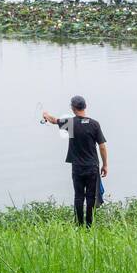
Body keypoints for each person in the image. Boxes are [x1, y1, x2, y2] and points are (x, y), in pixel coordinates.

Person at [42, 96, 108, 227]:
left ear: (72, 108)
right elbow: (102, 146)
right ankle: (89, 226)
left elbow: (54, 120)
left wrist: (46, 114)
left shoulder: (70, 123)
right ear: (85, 107)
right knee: (91, 198)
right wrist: (105, 164)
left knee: (78, 197)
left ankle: (79, 225)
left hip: (77, 167)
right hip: (92, 167)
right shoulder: (94, 124)